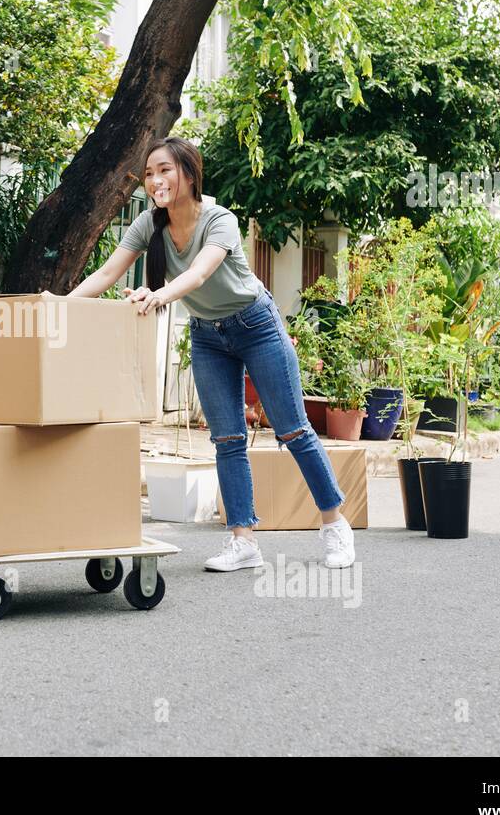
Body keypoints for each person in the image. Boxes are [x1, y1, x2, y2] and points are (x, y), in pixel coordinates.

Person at [68, 136, 355, 572]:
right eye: (148, 173)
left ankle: (334, 524)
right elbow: (109, 272)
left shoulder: (220, 220)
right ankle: (243, 540)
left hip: (256, 325)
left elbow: (201, 273)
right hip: (208, 336)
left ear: (188, 173)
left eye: (164, 169)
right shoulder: (149, 225)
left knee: (293, 429)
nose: (155, 180)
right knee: (226, 439)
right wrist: (59, 305)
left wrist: (160, 295)